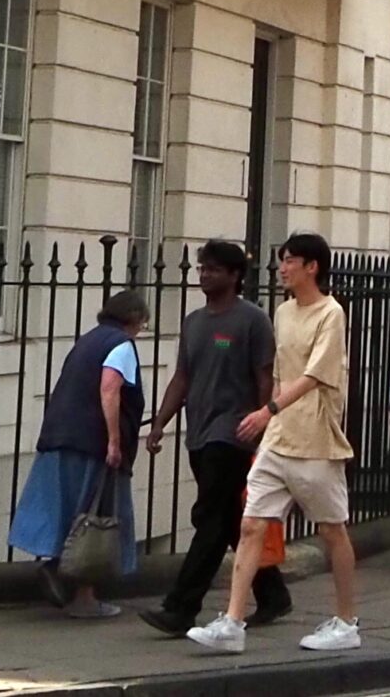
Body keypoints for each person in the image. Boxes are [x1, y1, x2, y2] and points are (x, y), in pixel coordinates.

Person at [188, 234, 360, 655]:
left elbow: (315, 376)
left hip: (316, 441)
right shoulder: (282, 313)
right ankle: (232, 621)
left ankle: (347, 622)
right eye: (281, 261)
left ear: (312, 267)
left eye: (289, 261)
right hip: (279, 440)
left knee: (332, 531)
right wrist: (269, 424)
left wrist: (268, 410)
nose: (282, 268)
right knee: (250, 524)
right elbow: (282, 373)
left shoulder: (331, 313)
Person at [138, 240, 292, 636]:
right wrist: (160, 423)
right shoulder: (194, 322)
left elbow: (264, 378)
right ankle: (273, 594)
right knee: (229, 522)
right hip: (200, 432)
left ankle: (181, 607)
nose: (205, 275)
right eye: (202, 268)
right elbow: (183, 378)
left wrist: (262, 426)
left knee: (208, 518)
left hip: (234, 433)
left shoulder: (252, 320)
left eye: (213, 269)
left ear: (235, 275)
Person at [8, 289, 148, 620]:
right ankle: (83, 596)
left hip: (60, 435)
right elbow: (110, 388)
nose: (142, 329)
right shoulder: (121, 345)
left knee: (67, 510)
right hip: (92, 443)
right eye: (143, 322)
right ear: (133, 319)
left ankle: (57, 567)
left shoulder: (87, 340)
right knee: (95, 516)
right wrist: (114, 441)